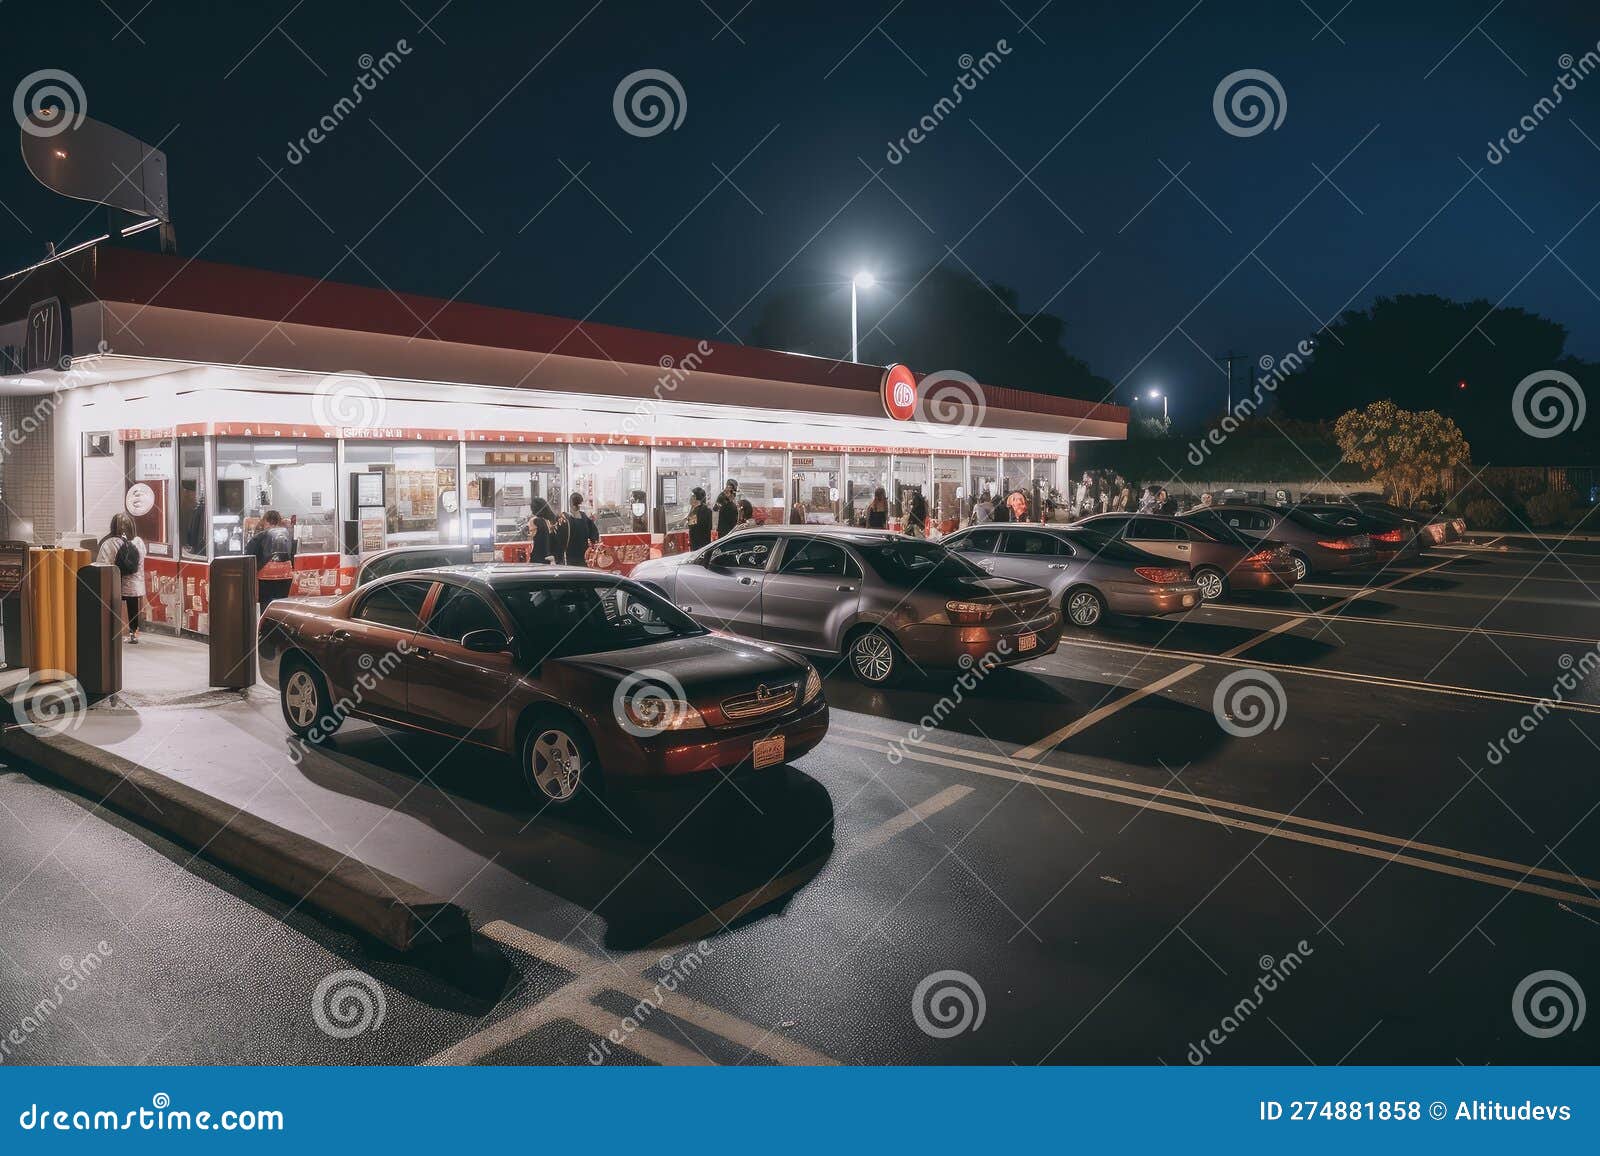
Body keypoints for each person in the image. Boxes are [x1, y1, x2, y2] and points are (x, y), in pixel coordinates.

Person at [96, 513, 146, 644]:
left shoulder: (109, 543)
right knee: (133, 609)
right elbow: (140, 562)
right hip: (134, 585)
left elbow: (102, 564)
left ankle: (112, 633)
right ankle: (134, 635)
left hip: (115, 584)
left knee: (112, 608)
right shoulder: (139, 542)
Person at [246, 509, 296, 610]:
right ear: (279, 521)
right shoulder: (288, 536)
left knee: (266, 607)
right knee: (282, 607)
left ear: (266, 521)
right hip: (286, 578)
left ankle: (266, 624)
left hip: (265, 580)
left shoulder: (260, 536)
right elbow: (293, 556)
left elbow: (249, 556)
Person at [559, 492, 600, 566]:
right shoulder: (566, 518)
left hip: (581, 555)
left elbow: (594, 533)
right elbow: (594, 533)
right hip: (571, 556)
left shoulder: (567, 518)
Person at [525, 498, 556, 563]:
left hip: (536, 558)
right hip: (546, 558)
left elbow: (530, 539)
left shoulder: (534, 521)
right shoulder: (547, 521)